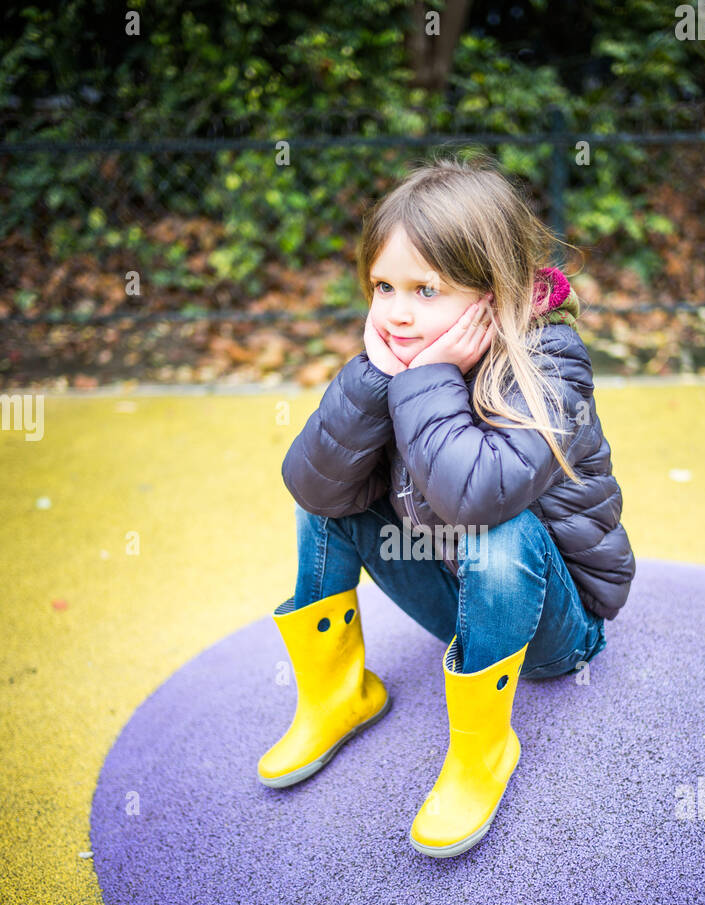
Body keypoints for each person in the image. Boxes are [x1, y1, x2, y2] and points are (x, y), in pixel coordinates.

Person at [257, 155, 636, 858]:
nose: (397, 313)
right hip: (456, 593)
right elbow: (311, 486)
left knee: (498, 530)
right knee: (333, 494)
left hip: (557, 630)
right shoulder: (400, 360)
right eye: (383, 286)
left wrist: (424, 380)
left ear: (495, 290)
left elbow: (474, 499)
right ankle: (338, 693)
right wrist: (374, 379)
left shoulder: (550, 364)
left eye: (426, 289)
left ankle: (480, 754)